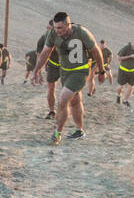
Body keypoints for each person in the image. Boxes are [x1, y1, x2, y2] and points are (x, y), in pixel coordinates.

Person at [33, 12, 104, 144]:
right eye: (55, 27)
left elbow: (96, 51)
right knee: (75, 101)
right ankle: (79, 130)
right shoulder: (53, 33)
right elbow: (45, 53)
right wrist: (36, 70)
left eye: (60, 28)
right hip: (65, 71)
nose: (57, 30)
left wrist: (102, 70)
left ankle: (57, 133)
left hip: (80, 71)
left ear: (68, 25)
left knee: (63, 99)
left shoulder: (82, 32)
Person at [116, 39, 134, 106]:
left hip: (133, 71)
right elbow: (119, 58)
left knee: (131, 86)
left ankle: (125, 100)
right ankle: (118, 96)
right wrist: (130, 56)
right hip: (123, 70)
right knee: (120, 86)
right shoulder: (126, 47)